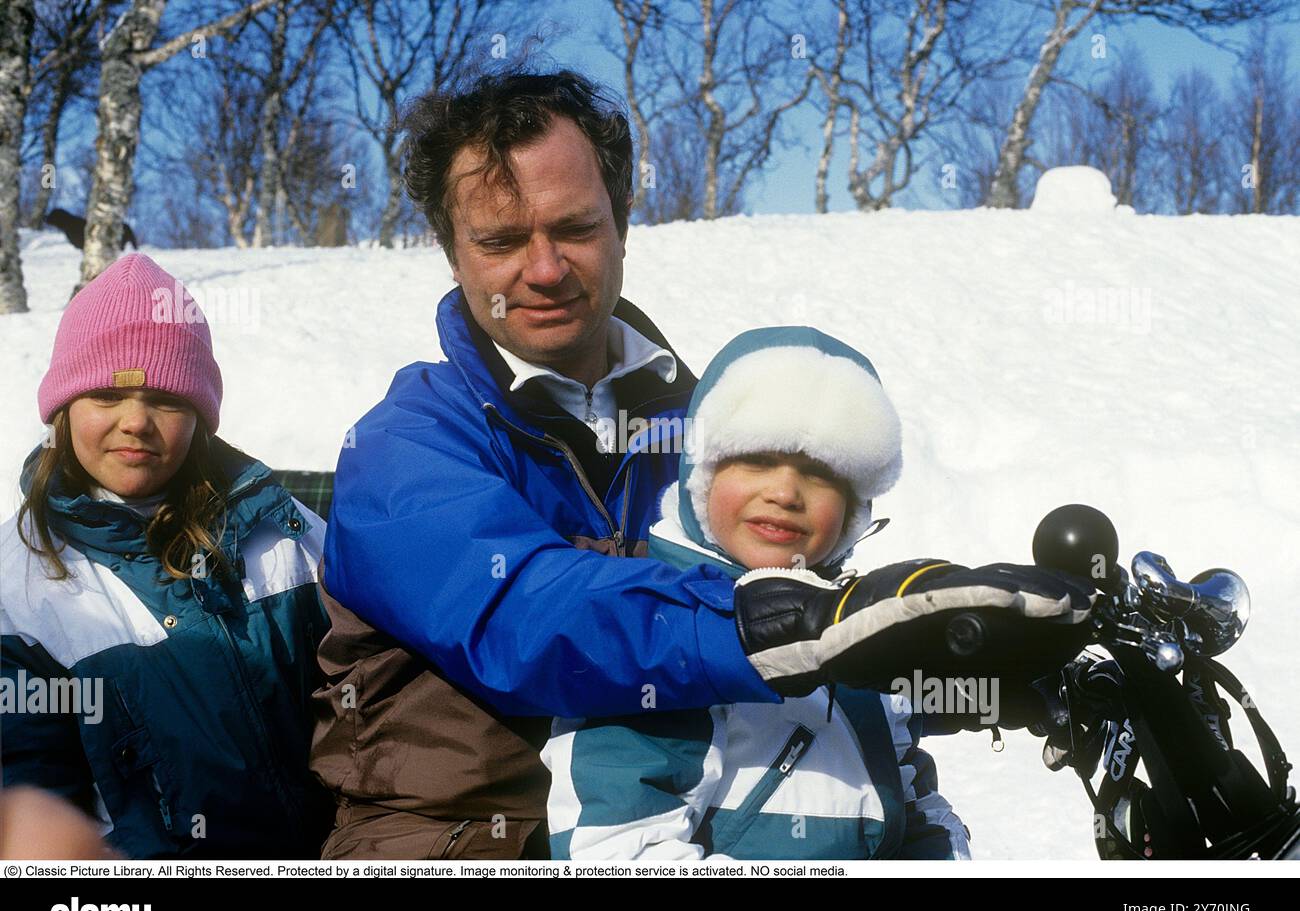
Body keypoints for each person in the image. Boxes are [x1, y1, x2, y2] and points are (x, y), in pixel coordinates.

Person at [310, 69, 1098, 860]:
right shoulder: (402, 448)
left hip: (693, 832)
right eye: (502, 241)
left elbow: (809, 608)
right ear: (451, 252)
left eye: (575, 227)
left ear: (623, 222)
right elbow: (525, 616)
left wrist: (949, 662)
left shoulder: (710, 432)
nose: (545, 268)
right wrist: (793, 624)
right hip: (460, 844)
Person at [545, 326, 970, 860]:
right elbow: (614, 853)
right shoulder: (659, 633)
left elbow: (909, 804)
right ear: (701, 474)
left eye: (820, 472)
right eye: (757, 460)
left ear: (853, 506)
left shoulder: (854, 627)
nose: (786, 492)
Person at [0, 253, 333, 858]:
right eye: (107, 394)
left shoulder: (284, 533)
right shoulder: (18, 590)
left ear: (200, 416)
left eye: (166, 398)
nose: (136, 422)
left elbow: (372, 717)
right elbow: (33, 799)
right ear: (63, 409)